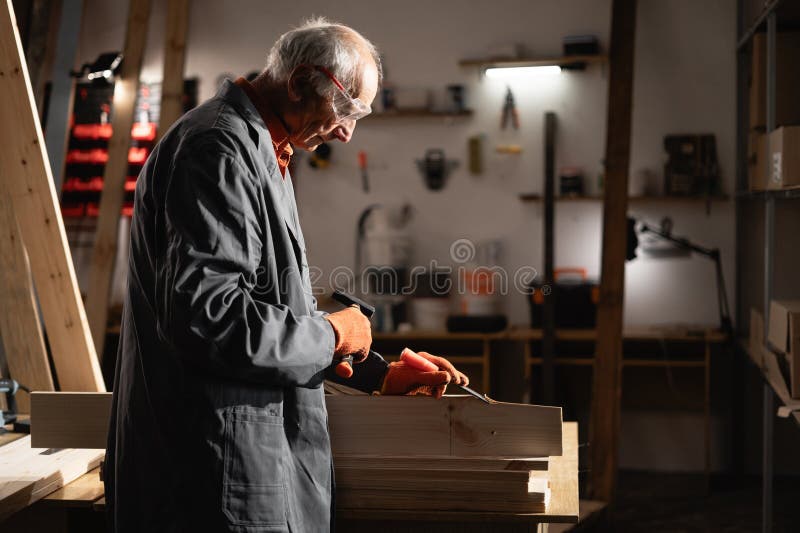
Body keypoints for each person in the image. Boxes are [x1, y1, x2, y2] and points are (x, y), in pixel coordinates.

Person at [105, 17, 469, 532]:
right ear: (299, 82)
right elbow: (212, 321)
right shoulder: (217, 151)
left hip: (237, 456)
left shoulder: (266, 150)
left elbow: (268, 308)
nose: (347, 131)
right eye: (346, 109)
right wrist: (334, 331)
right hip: (208, 469)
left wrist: (376, 374)